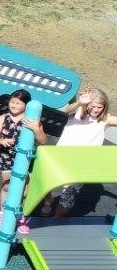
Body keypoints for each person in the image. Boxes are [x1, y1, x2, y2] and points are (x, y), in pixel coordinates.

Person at [42, 88, 117, 218]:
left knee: (68, 195)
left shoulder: (105, 120)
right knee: (45, 184)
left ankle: (57, 220)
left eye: (99, 107)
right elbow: (66, 110)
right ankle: (48, 200)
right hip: (60, 157)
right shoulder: (78, 112)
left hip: (81, 163)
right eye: (93, 106)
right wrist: (80, 103)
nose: (95, 110)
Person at [0, 89, 45, 208]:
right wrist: (1, 140)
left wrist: (36, 129)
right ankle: (3, 212)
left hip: (26, 160)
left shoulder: (32, 121)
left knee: (24, 192)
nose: (13, 105)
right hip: (7, 158)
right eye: (12, 102)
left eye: (18, 103)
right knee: (7, 186)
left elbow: (43, 141)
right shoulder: (3, 118)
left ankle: (19, 212)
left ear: (26, 105)